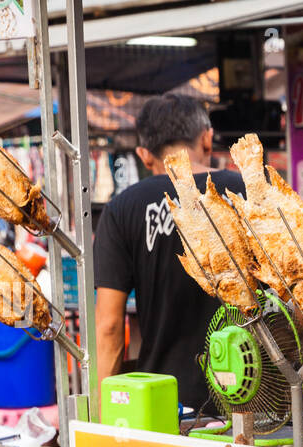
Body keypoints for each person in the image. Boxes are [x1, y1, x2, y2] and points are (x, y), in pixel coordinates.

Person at [94, 94, 245, 416]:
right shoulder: (247, 191)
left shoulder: (122, 209)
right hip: (253, 393)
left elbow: (108, 325)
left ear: (144, 155)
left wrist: (103, 415)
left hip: (164, 401)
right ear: (206, 138)